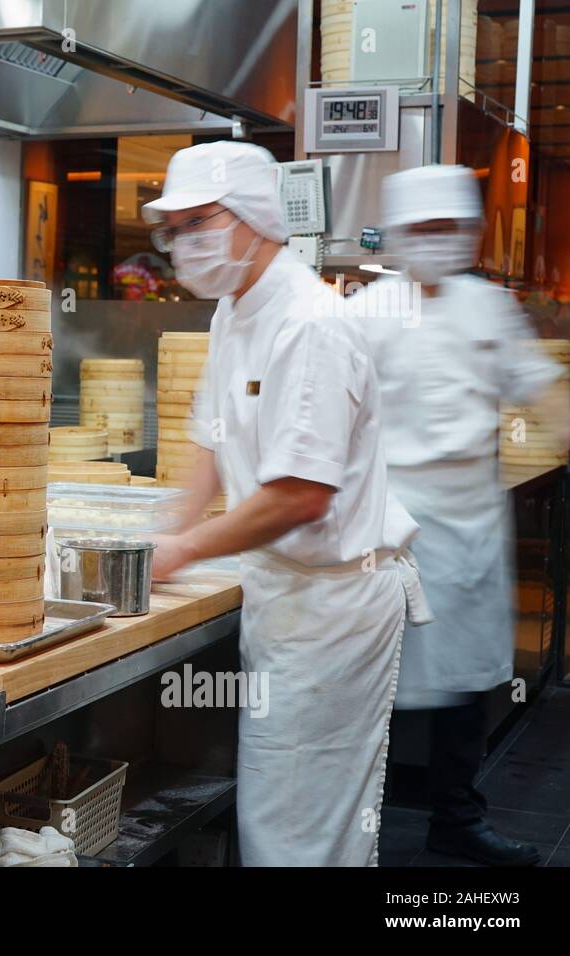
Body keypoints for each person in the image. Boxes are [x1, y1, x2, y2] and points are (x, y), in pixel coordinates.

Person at [141, 141, 426, 866]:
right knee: (277, 808)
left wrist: (185, 551)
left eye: (198, 222)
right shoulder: (235, 311)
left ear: (254, 218)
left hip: (333, 606)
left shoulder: (309, 322)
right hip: (284, 594)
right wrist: (159, 539)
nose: (184, 245)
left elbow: (302, 494)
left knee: (302, 827)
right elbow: (208, 440)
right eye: (173, 230)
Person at [351, 164, 570, 866]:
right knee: (367, 687)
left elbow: (542, 389)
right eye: (426, 228)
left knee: (465, 692)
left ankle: (457, 819)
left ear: (471, 233)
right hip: (385, 530)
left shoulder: (487, 307)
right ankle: (353, 822)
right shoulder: (363, 313)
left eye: (451, 228)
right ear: (402, 233)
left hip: (470, 523)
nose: (439, 240)